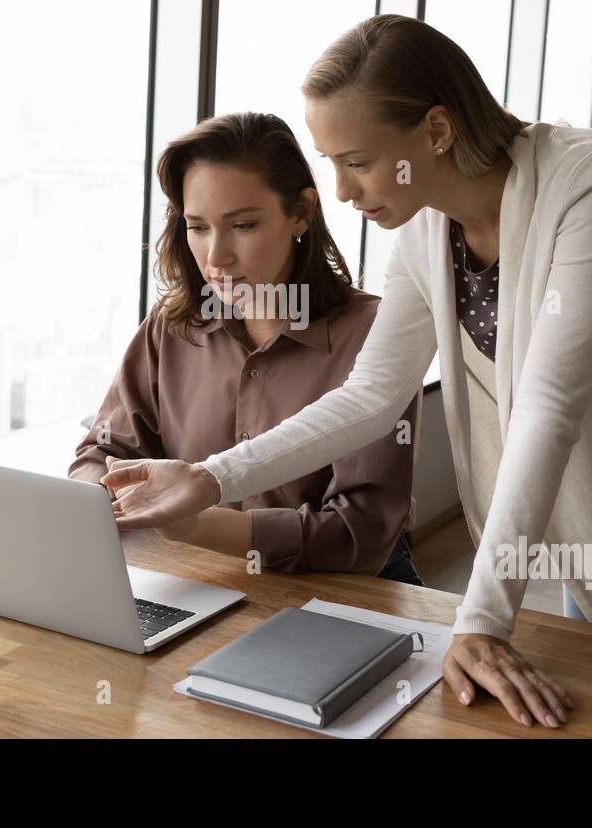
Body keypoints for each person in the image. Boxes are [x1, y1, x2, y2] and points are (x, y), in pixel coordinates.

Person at [100, 15, 592, 730]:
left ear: (436, 131)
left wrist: (481, 622)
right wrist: (209, 478)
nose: (341, 192)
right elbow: (373, 394)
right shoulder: (424, 224)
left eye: (357, 161)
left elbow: (549, 403)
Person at [69, 111, 422, 582]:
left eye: (243, 226)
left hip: (343, 598)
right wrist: (107, 495)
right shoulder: (173, 325)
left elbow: (359, 535)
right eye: (197, 227)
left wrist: (195, 524)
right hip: (197, 583)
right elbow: (102, 450)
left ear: (300, 212)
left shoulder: (375, 334)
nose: (216, 258)